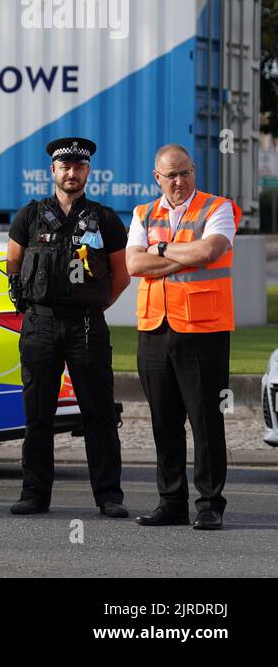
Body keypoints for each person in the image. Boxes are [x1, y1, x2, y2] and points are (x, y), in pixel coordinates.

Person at [5, 137, 130, 517]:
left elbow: (121, 275)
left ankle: (108, 496)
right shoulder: (29, 215)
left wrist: (92, 306)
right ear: (53, 171)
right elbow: (14, 264)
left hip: (87, 327)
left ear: (88, 172)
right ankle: (34, 495)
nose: (71, 173)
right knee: (38, 414)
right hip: (40, 324)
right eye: (65, 167)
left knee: (99, 414)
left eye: (79, 167)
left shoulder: (104, 218)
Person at [126, 144, 239, 531]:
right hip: (154, 329)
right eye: (170, 175)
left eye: (185, 172)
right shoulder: (143, 212)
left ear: (195, 170)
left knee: (207, 421)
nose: (179, 181)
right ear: (155, 177)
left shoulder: (217, 207)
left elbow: (211, 250)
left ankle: (209, 503)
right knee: (164, 421)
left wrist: (158, 250)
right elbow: (133, 263)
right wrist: (179, 255)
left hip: (202, 331)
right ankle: (171, 502)